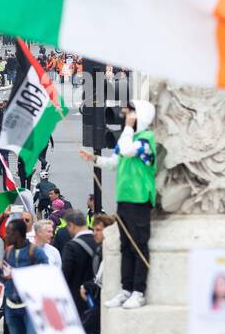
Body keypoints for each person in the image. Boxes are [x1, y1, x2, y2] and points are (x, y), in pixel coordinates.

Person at [80, 98, 156, 310]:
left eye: (130, 112)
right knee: (125, 245)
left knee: (139, 244)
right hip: (125, 198)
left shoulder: (146, 139)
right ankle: (126, 289)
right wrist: (93, 159)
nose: (125, 115)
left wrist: (129, 128)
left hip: (140, 198)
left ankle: (139, 291)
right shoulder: (129, 138)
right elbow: (113, 162)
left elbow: (126, 150)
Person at [1, 217, 49, 334]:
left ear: (19, 234)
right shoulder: (7, 252)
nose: (6, 236)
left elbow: (45, 275)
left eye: (9, 232)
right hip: (12, 307)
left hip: (31, 307)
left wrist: (18, 274)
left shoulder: (35, 252)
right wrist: (0, 273)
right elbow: (5, 278)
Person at [59, 210, 98, 318]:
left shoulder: (71, 246)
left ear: (71, 225)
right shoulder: (99, 241)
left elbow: (65, 275)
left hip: (77, 300)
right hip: (97, 296)